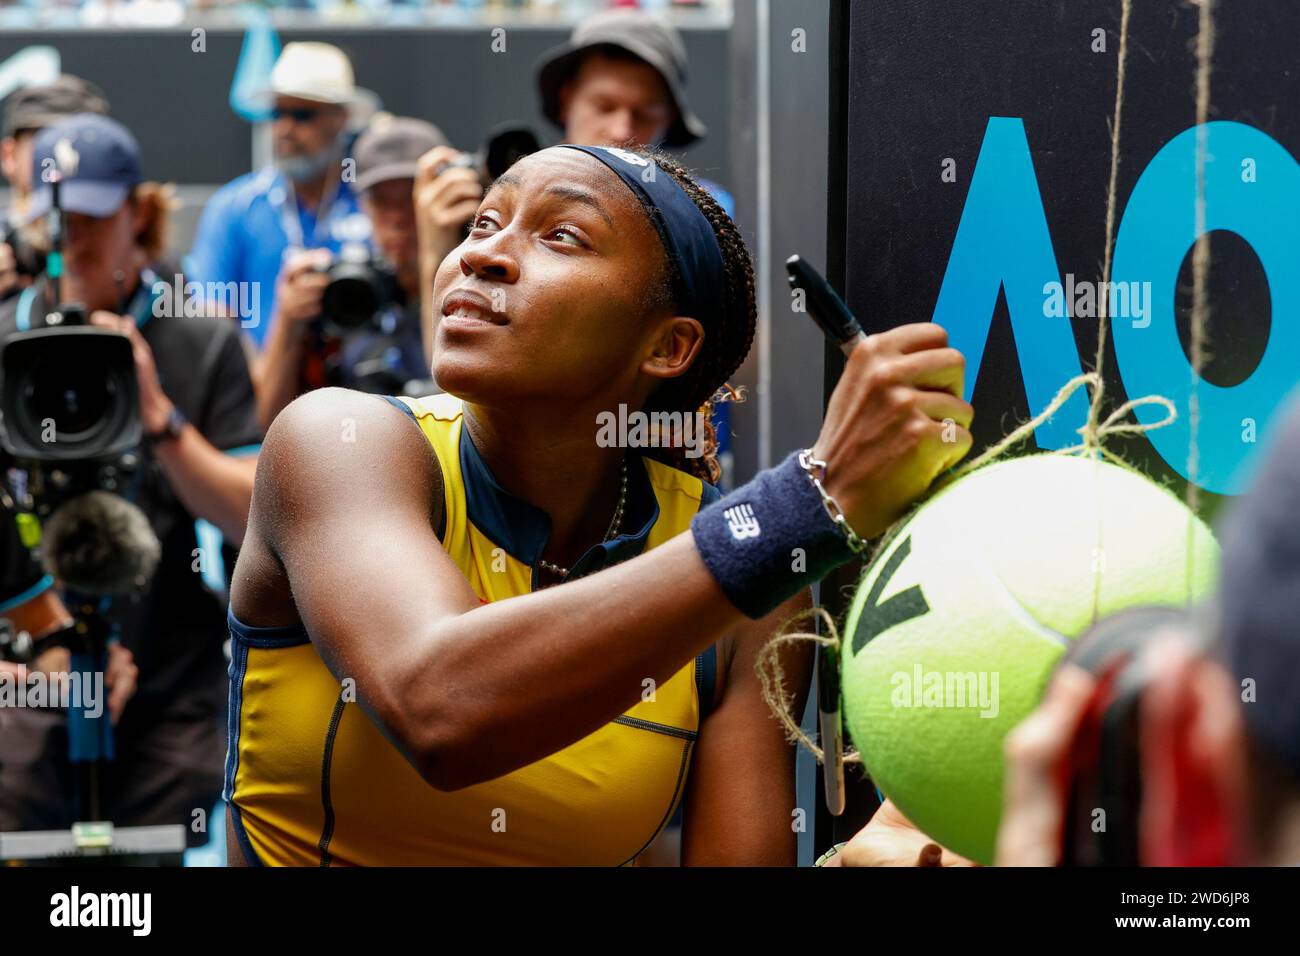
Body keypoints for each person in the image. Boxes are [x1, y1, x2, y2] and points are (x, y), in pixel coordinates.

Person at [223, 142, 972, 866]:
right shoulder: (336, 440)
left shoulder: (753, 602)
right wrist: (806, 502)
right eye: (486, 221)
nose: (481, 253)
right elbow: (439, 710)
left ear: (668, 347)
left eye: (562, 235)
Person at [0, 114, 261, 842]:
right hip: (28, 659)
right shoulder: (8, 335)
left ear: (137, 213)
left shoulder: (199, 337)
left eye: (90, 217)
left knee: (160, 839)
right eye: (55, 220)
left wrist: (158, 417)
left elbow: (253, 519)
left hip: (168, 665)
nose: (71, 239)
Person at [254, 116, 440, 430]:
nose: (397, 218)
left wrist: (437, 259)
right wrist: (288, 323)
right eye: (381, 201)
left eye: (410, 198)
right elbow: (268, 424)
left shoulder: (476, 282)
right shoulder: (348, 289)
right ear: (364, 208)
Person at [187, 42, 371, 347]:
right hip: (255, 386)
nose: (284, 128)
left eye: (301, 114)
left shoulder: (370, 203)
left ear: (340, 118)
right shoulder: (233, 208)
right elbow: (212, 332)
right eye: (276, 113)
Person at [0, 75, 111, 303]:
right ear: (9, 156)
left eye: (84, 141)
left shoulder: (140, 261)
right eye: (46, 140)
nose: (66, 155)